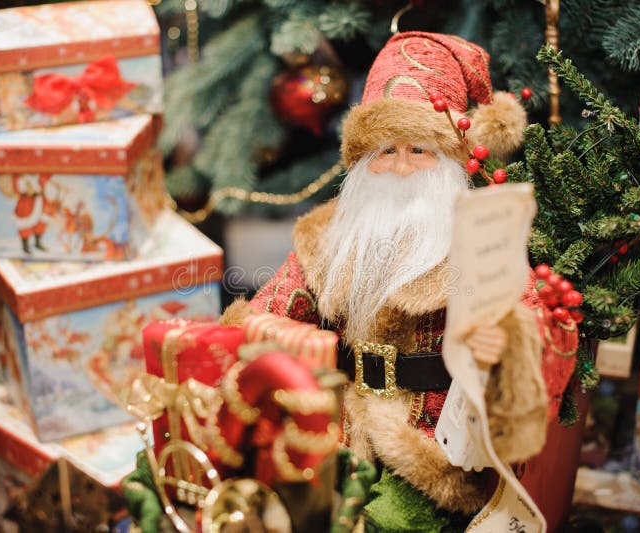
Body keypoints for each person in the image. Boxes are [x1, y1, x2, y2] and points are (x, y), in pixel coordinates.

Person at [221, 31, 578, 531]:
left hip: (434, 449)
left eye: (419, 150)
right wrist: (226, 352)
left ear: (450, 160)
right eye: (386, 151)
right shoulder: (329, 238)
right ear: (363, 163)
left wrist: (508, 342)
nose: (402, 167)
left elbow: (530, 319)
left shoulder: (477, 241)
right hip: (340, 428)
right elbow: (271, 311)